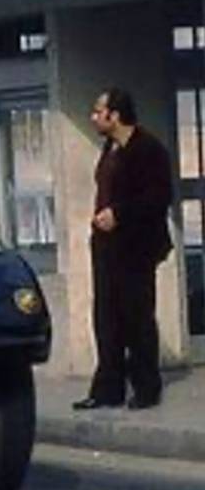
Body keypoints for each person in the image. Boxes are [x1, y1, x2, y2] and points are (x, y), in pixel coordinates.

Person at [73, 87, 174, 411]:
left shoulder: (148, 149)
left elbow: (158, 197)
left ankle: (146, 387)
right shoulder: (110, 149)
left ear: (115, 115)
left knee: (137, 318)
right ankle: (107, 389)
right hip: (106, 248)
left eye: (97, 111)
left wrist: (120, 213)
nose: (93, 117)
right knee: (106, 318)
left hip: (136, 248)